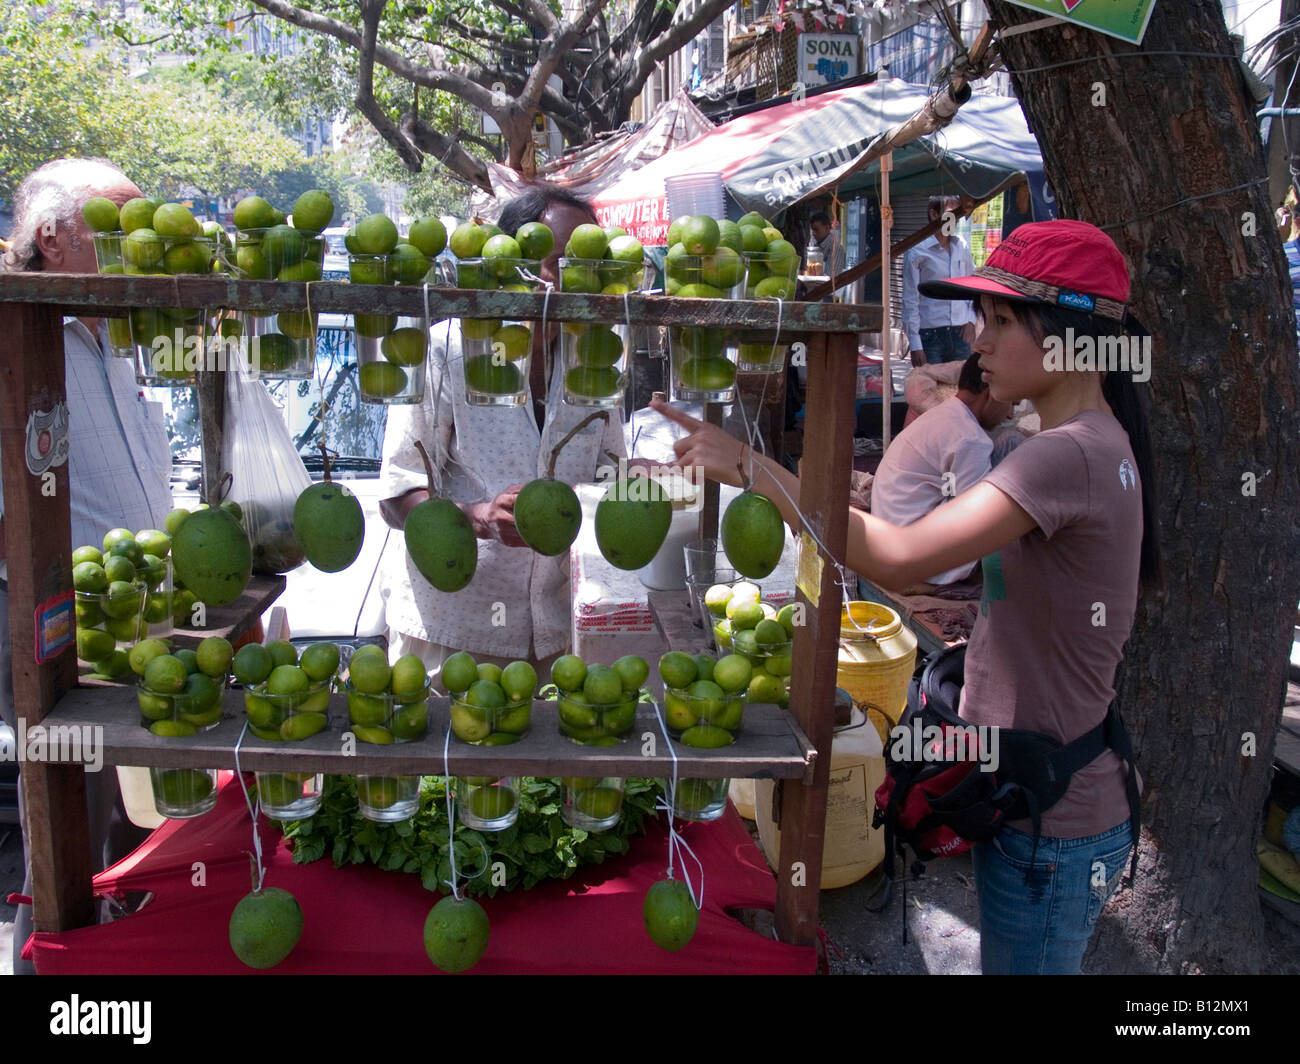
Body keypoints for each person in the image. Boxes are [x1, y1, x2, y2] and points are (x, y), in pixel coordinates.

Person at [651, 218, 1158, 975]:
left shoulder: (1067, 455)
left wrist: (754, 467)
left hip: (1055, 818)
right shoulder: (1086, 440)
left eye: (1000, 321)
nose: (976, 341)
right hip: (1039, 795)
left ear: (1070, 338)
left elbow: (895, 552)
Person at [2, 158, 173, 974]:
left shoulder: (127, 341)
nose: (142, 244)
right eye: (119, 229)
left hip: (140, 632)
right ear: (52, 240)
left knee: (140, 836)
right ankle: (53, 980)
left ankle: (130, 976)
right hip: (54, 635)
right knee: (64, 831)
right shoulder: (16, 338)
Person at [378, 186, 626, 679]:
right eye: (549, 261)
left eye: (582, 264)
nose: (560, 282)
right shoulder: (449, 349)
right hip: (452, 627)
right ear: (507, 265)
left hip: (556, 628)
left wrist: (644, 479)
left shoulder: (596, 362)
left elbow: (610, 471)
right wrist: (475, 516)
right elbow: (396, 489)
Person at [870, 353, 1012, 590]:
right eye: (1011, 404)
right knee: (1011, 447)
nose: (1009, 414)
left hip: (894, 536)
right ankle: (936, 582)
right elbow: (976, 521)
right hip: (912, 555)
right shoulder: (970, 439)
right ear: (991, 394)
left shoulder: (945, 415)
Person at [902, 195, 976, 366]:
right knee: (932, 389)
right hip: (930, 335)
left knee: (960, 389)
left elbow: (973, 287)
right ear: (934, 215)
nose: (956, 220)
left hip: (961, 333)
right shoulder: (917, 251)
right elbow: (910, 300)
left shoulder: (962, 246)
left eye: (958, 215)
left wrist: (971, 320)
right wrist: (915, 344)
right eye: (951, 214)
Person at [809, 210, 845, 278]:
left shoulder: (836, 249)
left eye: (816, 230)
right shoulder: (813, 245)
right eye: (812, 230)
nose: (813, 233)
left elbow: (831, 279)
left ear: (827, 228)